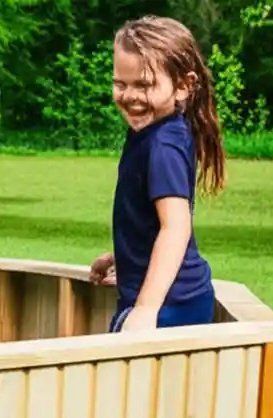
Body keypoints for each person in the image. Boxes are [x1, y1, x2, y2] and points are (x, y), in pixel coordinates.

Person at [89, 15, 225, 332]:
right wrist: (123, 258)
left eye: (144, 85)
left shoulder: (163, 144)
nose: (130, 96)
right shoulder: (152, 131)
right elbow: (148, 222)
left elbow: (176, 227)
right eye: (120, 84)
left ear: (183, 86)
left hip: (170, 308)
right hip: (169, 301)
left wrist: (146, 309)